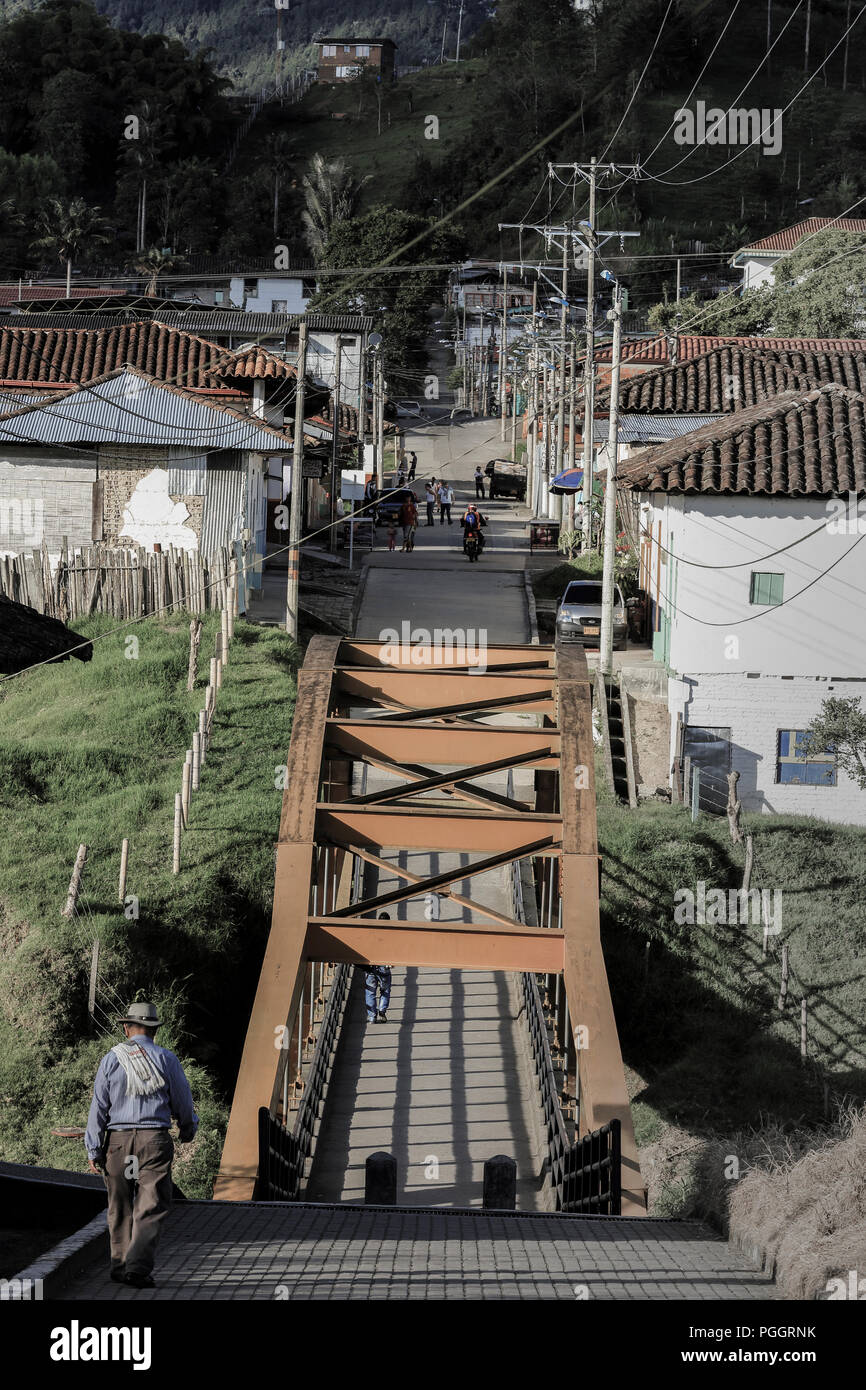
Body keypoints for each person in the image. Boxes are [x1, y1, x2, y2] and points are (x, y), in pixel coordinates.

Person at [85, 1000, 198, 1289]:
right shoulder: (165, 1058)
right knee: (151, 1205)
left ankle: (120, 1265)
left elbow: (98, 1107)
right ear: (153, 1030)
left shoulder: (112, 1058)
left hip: (118, 1143)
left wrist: (93, 1148)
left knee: (119, 1206)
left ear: (126, 1028)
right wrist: (187, 1127)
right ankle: (137, 1268)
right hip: (154, 1141)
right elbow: (183, 1100)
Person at [366, 913, 392, 1023]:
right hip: (384, 967)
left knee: (370, 991)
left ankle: (372, 1016)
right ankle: (382, 1011)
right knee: (385, 990)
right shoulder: (391, 935)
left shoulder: (372, 934)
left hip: (371, 966)